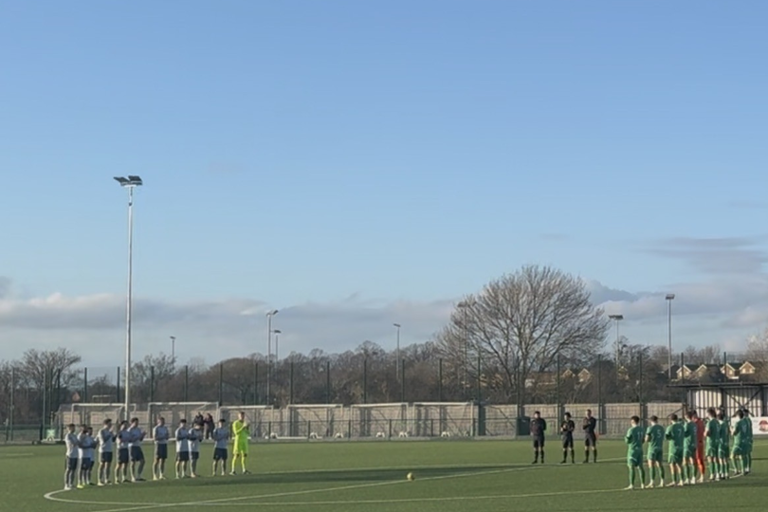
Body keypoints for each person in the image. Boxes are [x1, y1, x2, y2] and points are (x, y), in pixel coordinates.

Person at [624, 415, 645, 490]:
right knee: (640, 467)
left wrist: (626, 439)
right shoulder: (642, 429)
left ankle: (632, 484)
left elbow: (627, 440)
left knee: (631, 467)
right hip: (640, 449)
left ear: (632, 421)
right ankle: (643, 484)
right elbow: (643, 440)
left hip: (632, 450)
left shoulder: (631, 430)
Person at [644, 415, 665, 488]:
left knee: (651, 465)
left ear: (651, 421)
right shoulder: (661, 428)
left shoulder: (650, 428)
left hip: (652, 448)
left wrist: (647, 439)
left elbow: (647, 439)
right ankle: (662, 481)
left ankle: (652, 482)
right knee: (660, 465)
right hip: (660, 447)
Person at [665, 414, 684, 487]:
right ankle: (682, 480)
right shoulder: (681, 426)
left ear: (670, 420)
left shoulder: (670, 427)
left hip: (673, 447)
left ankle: (674, 481)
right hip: (681, 446)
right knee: (679, 464)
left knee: (672, 464)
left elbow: (667, 437)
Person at [127, 417, 146, 482]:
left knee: (142, 461)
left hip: (138, 446)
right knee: (133, 462)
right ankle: (133, 476)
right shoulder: (129, 430)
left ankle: (139, 475)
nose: (137, 424)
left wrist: (143, 435)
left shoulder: (138, 429)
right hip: (132, 447)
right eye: (135, 422)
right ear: (132, 423)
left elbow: (140, 439)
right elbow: (129, 440)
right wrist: (138, 437)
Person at [704, 407, 720, 481]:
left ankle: (712, 474)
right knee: (716, 458)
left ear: (709, 414)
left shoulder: (709, 423)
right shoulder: (717, 422)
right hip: (716, 441)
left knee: (710, 458)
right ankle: (718, 473)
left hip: (711, 442)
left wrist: (704, 433)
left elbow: (708, 433)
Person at [97, 419, 115, 486]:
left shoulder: (110, 431)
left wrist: (114, 435)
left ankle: (106, 479)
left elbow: (113, 440)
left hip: (109, 449)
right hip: (103, 450)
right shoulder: (102, 431)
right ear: (105, 424)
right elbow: (104, 440)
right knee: (102, 464)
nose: (110, 425)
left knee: (108, 465)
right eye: (109, 424)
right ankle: (100, 480)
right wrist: (109, 434)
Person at [152, 417, 170, 481]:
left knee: (163, 460)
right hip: (158, 444)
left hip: (164, 444)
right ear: (158, 421)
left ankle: (161, 474)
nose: (163, 422)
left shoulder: (165, 428)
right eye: (161, 421)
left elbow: (167, 436)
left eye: (163, 421)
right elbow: (155, 437)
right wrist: (162, 437)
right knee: (156, 460)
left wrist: (166, 437)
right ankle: (154, 475)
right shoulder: (156, 428)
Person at [682, 411, 698, 485]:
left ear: (686, 417)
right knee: (693, 461)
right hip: (694, 444)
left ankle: (687, 478)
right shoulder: (694, 424)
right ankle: (694, 478)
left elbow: (684, 433)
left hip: (687, 444)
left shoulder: (687, 424)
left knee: (685, 461)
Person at [64, 423, 81, 491]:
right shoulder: (68, 436)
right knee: (68, 469)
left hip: (75, 454)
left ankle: (71, 483)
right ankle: (66, 484)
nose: (74, 429)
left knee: (73, 470)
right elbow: (73, 443)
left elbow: (78, 443)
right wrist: (76, 443)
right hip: (70, 454)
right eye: (72, 428)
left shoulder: (74, 435)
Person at [731, 409, 746, 475]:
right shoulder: (744, 422)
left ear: (737, 416)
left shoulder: (738, 423)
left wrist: (731, 429)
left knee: (732, 456)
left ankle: (736, 469)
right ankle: (743, 470)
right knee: (741, 455)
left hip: (738, 441)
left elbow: (734, 433)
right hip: (743, 440)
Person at [692, 410, 706, 483]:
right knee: (698, 460)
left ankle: (699, 476)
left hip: (697, 442)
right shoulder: (701, 422)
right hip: (699, 442)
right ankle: (700, 476)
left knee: (698, 460)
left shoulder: (696, 423)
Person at [716, 411, 731, 480]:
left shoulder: (720, 426)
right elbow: (729, 432)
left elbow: (718, 434)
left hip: (721, 444)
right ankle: (727, 473)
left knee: (721, 459)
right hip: (726, 443)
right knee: (726, 459)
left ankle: (722, 473)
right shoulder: (726, 424)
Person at [742, 408, 753, 474]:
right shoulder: (749, 420)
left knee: (745, 454)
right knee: (747, 453)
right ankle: (748, 467)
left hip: (746, 438)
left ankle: (746, 467)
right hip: (749, 438)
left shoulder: (745, 420)